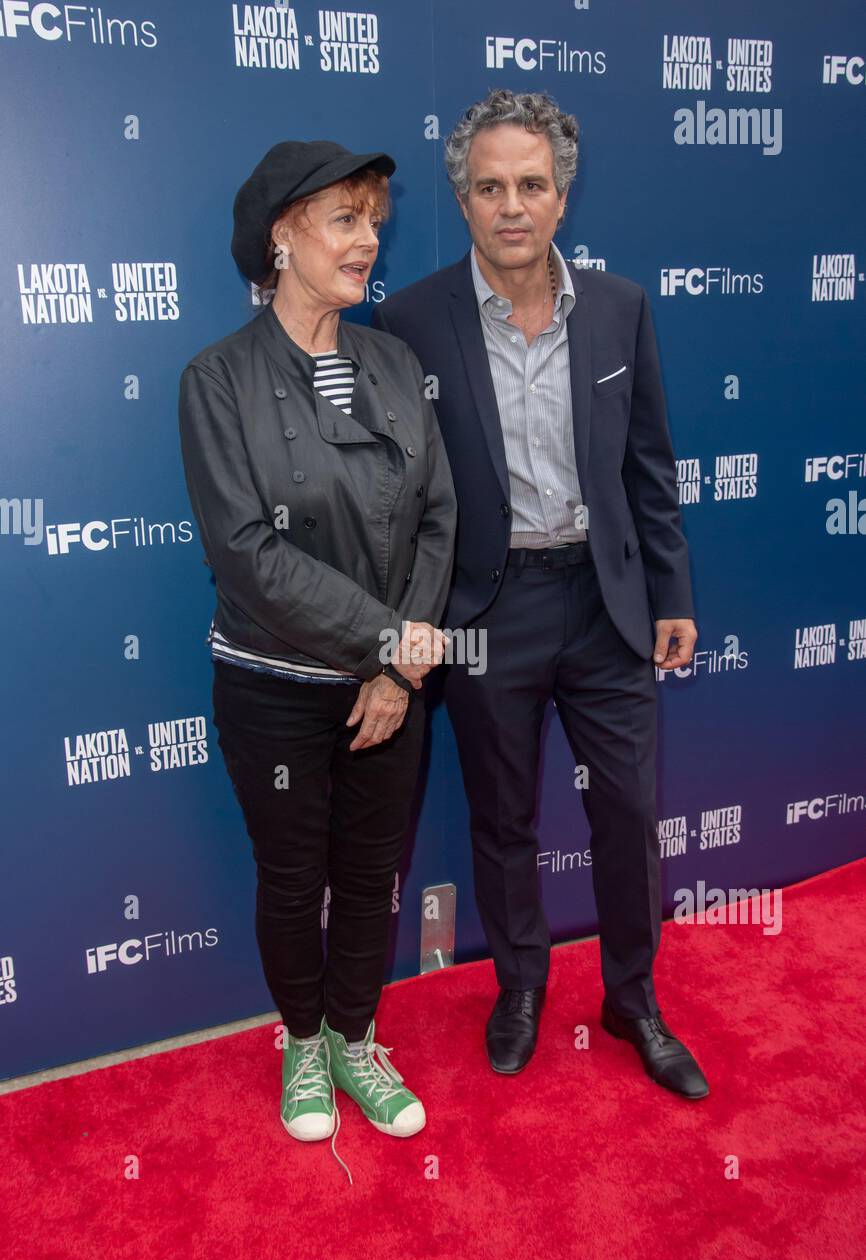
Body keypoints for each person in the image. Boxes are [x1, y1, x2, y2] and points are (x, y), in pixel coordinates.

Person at [371, 91, 709, 1098]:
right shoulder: (410, 319)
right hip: (485, 610)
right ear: (462, 202)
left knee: (627, 810)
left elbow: (648, 467)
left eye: (530, 184)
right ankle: (517, 988)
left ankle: (631, 997)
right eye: (488, 187)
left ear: (561, 196)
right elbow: (401, 495)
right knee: (502, 815)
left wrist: (669, 592)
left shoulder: (618, 307)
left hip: (605, 604)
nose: (510, 205)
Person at [178, 140, 458, 1170]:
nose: (367, 237)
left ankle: (354, 1038)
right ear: (279, 238)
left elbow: (439, 514)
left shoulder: (391, 362)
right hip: (274, 688)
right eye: (342, 217)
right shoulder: (217, 380)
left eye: (371, 217)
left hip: (392, 690)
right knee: (295, 879)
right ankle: (301, 1044)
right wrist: (384, 640)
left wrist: (394, 670)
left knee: (372, 872)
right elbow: (247, 555)